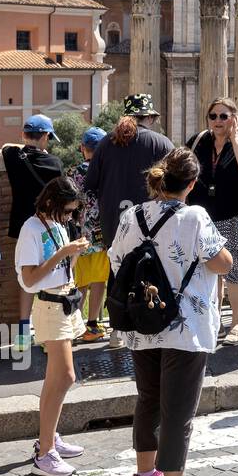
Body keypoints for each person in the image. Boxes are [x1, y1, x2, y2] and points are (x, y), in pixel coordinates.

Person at [110, 148, 233, 476]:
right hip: (185, 326)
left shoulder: (131, 216)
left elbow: (116, 260)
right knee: (178, 410)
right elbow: (222, 263)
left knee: (148, 399)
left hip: (142, 323)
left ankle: (144, 474)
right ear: (192, 184)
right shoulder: (195, 216)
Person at [84, 93, 174, 346]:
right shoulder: (161, 143)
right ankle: (154, 323)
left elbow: (90, 185)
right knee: (154, 271)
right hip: (154, 222)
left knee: (118, 273)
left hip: (115, 222)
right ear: (151, 118)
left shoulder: (104, 145)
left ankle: (117, 331)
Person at [17, 177, 91, 476]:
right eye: (67, 211)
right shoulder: (31, 229)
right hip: (48, 306)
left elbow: (59, 269)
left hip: (64, 302)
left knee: (57, 379)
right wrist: (63, 253)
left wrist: (72, 255)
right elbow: (30, 279)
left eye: (73, 212)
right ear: (52, 203)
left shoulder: (58, 226)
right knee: (65, 377)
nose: (70, 217)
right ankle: (45, 451)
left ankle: (49, 438)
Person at [186, 98, 238, 346]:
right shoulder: (198, 142)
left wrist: (235, 138)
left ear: (234, 118)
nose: (218, 121)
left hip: (235, 216)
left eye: (224, 116)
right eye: (213, 116)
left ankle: (237, 323)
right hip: (203, 218)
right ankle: (213, 320)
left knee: (236, 271)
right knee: (208, 270)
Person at [1, 113, 64, 352]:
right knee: (48, 277)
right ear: (46, 136)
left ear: (24, 135)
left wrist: (24, 144)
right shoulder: (54, 164)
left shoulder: (12, 157)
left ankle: (23, 332)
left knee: (26, 279)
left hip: (21, 225)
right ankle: (48, 335)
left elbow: (7, 146)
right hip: (46, 226)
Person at [67, 127, 111, 343]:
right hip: (103, 234)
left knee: (80, 282)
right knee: (99, 282)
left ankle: (74, 325)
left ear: (83, 148)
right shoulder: (108, 169)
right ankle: (93, 324)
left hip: (81, 235)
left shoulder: (75, 172)